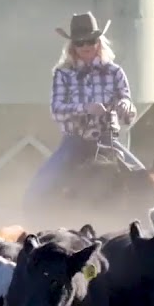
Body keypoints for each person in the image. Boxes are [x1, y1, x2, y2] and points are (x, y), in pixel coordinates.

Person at [22, 11, 144, 210]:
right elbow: (57, 110)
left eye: (91, 40)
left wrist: (126, 106)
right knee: (39, 187)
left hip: (108, 140)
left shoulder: (115, 72)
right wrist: (85, 109)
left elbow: (127, 102)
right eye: (80, 42)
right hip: (75, 141)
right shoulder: (63, 74)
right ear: (73, 46)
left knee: (144, 178)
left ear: (99, 42)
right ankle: (31, 213)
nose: (86, 46)